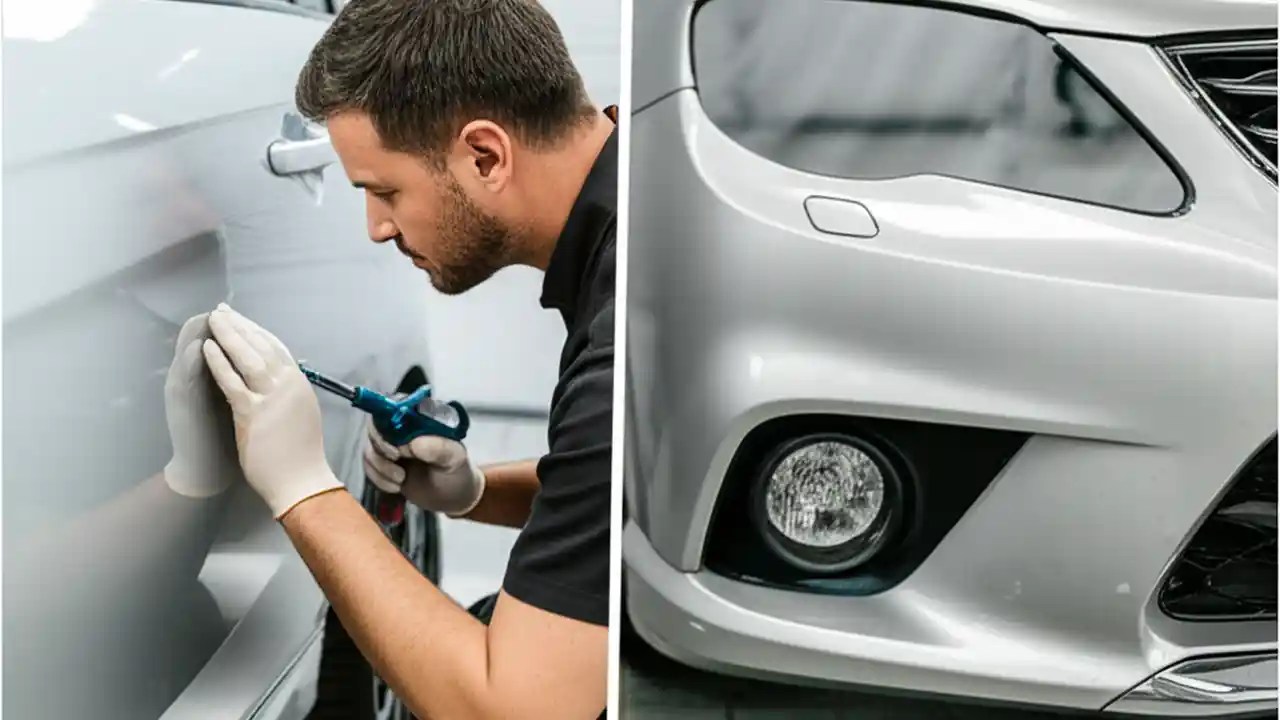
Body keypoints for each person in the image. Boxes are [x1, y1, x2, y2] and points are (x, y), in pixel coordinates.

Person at [178, 1, 616, 717]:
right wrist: (477, 492)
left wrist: (303, 488)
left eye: (384, 191)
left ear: (486, 155)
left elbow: (509, 709)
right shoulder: (631, 212)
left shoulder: (622, 337)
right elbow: (618, 498)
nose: (377, 228)